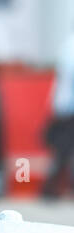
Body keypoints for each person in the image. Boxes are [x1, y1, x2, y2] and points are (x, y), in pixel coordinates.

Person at [42, 25, 74, 198]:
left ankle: (50, 189)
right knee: (63, 151)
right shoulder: (71, 48)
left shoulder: (67, 46)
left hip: (65, 106)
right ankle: (48, 190)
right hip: (69, 108)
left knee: (65, 151)